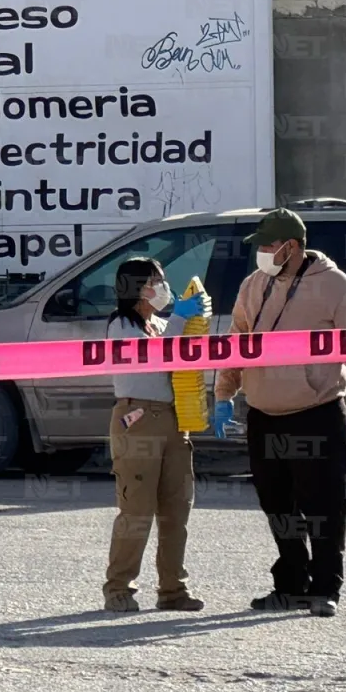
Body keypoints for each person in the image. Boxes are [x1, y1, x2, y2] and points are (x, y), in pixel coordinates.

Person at [212, 208, 346, 619]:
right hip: (264, 414)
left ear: (292, 246)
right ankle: (290, 583)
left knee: (325, 506)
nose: (263, 253)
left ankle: (324, 588)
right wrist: (223, 394)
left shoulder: (336, 287)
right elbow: (238, 342)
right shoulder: (254, 285)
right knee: (277, 506)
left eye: (269, 246)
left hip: (316, 412)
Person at [102, 257, 211, 613]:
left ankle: (173, 589)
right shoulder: (120, 326)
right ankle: (119, 588)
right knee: (136, 509)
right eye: (156, 281)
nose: (163, 287)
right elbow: (154, 359)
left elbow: (180, 349)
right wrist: (181, 316)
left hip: (172, 419)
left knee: (176, 509)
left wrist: (193, 317)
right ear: (136, 288)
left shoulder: (161, 324)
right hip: (137, 419)